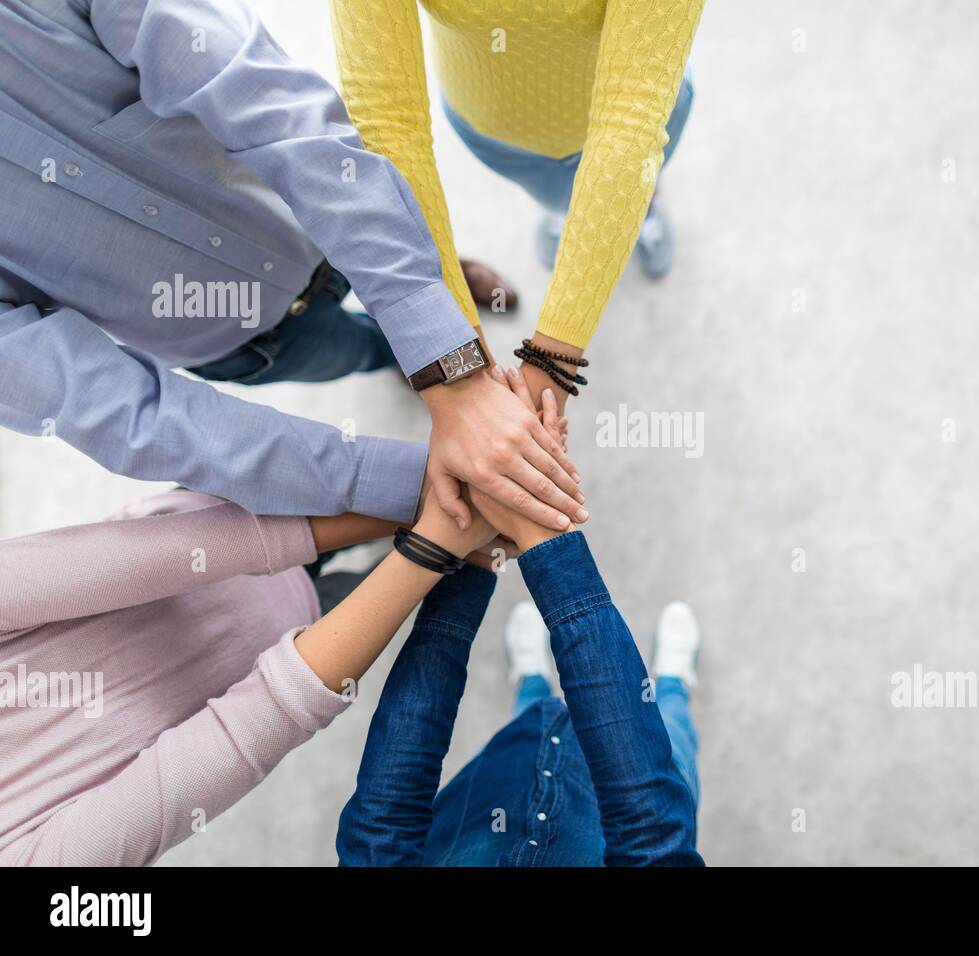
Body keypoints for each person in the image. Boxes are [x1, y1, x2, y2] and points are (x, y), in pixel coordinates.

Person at [0, 0, 582, 534]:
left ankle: (441, 286)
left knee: (403, 247)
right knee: (361, 349)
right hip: (243, 338)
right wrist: (398, 478)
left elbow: (275, 110)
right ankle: (395, 355)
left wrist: (447, 362)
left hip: (311, 211)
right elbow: (115, 409)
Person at [0, 475, 513, 865]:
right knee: (387, 568)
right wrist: (442, 529)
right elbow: (243, 732)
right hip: (296, 645)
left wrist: (437, 503)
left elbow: (149, 557)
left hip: (222, 528)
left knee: (404, 515)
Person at [337, 369, 703, 866]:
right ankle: (676, 682)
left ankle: (531, 680)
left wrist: (474, 547)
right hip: (630, 766)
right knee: (670, 727)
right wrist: (539, 530)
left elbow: (382, 829)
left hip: (503, 773)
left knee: (531, 718)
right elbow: (651, 837)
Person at [330, 0, 703, 413]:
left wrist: (552, 365)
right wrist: (462, 358)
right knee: (557, 197)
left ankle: (643, 211)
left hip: (641, 112)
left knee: (639, 182)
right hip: (495, 130)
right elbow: (386, 123)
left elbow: (631, 121)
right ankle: (567, 213)